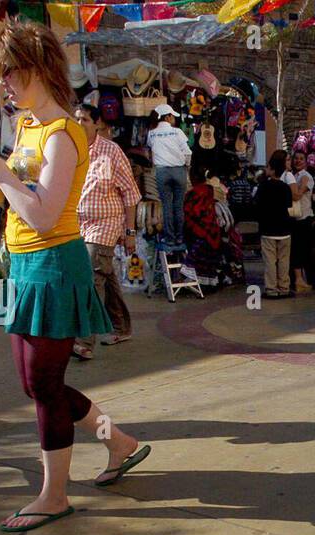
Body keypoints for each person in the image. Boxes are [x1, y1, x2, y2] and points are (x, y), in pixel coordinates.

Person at [0, 19, 148, 532]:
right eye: (1, 74)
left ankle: (53, 495)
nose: (4, 83)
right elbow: (8, 202)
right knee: (40, 385)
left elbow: (42, 212)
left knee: (43, 384)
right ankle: (119, 443)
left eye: (11, 71)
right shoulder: (28, 129)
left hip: (56, 263)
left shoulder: (63, 133)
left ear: (41, 67)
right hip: (24, 264)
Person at [72, 102, 139, 361]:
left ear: (97, 123)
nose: (79, 124)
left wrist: (130, 231)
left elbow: (131, 194)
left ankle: (84, 340)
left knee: (92, 276)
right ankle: (121, 327)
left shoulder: (111, 151)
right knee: (106, 275)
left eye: (85, 120)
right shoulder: (71, 151)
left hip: (106, 223)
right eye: (76, 119)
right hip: (79, 224)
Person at [147, 103, 190, 250]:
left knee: (166, 206)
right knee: (178, 206)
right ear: (168, 117)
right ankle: (180, 238)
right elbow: (188, 152)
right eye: (173, 117)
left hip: (162, 172)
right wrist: (186, 167)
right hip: (179, 171)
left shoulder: (151, 133)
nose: (174, 120)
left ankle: (169, 239)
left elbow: (150, 148)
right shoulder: (177, 132)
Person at [255, 149, 294, 298]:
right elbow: (288, 206)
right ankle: (284, 287)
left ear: (271, 168)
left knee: (270, 261)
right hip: (284, 228)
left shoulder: (263, 186)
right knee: (284, 260)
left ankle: (271, 289)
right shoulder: (285, 187)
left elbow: (257, 205)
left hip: (268, 228)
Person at [183, 164, 226, 287]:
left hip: (199, 233)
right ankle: (208, 283)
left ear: (193, 178)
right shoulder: (209, 191)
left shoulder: (193, 194)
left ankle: (196, 281)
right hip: (212, 231)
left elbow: (190, 213)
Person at [283, 150, 315, 291]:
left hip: (304, 217)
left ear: (305, 161)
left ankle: (313, 280)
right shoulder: (292, 175)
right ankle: (297, 280)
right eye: (296, 158)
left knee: (306, 251)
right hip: (295, 217)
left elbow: (297, 196)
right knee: (297, 250)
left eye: (301, 159)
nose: (298, 161)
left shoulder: (306, 177)